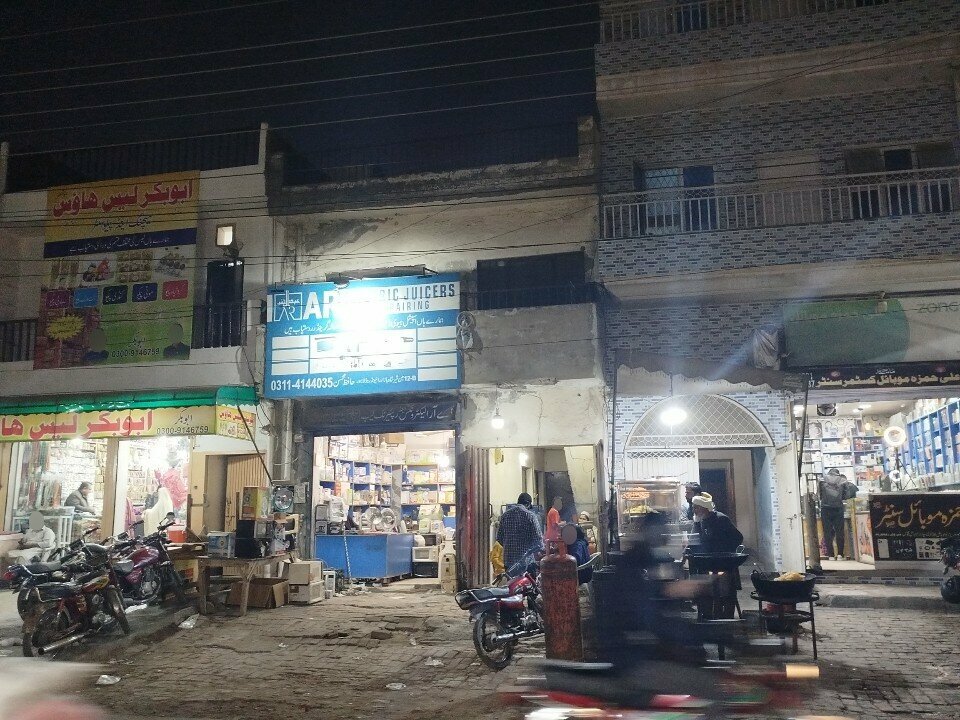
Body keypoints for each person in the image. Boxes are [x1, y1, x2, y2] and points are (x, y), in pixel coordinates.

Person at [496, 493, 544, 572]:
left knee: (511, 584)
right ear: (528, 504)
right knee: (529, 584)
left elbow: (499, 539)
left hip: (509, 563)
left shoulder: (505, 516)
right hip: (525, 563)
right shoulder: (531, 516)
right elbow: (539, 541)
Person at [819, 468, 858, 560]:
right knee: (839, 531)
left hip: (825, 508)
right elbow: (847, 496)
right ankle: (840, 554)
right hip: (838, 508)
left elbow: (819, 494)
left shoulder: (822, 479)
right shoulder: (843, 480)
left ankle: (831, 555)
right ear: (838, 473)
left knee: (827, 532)